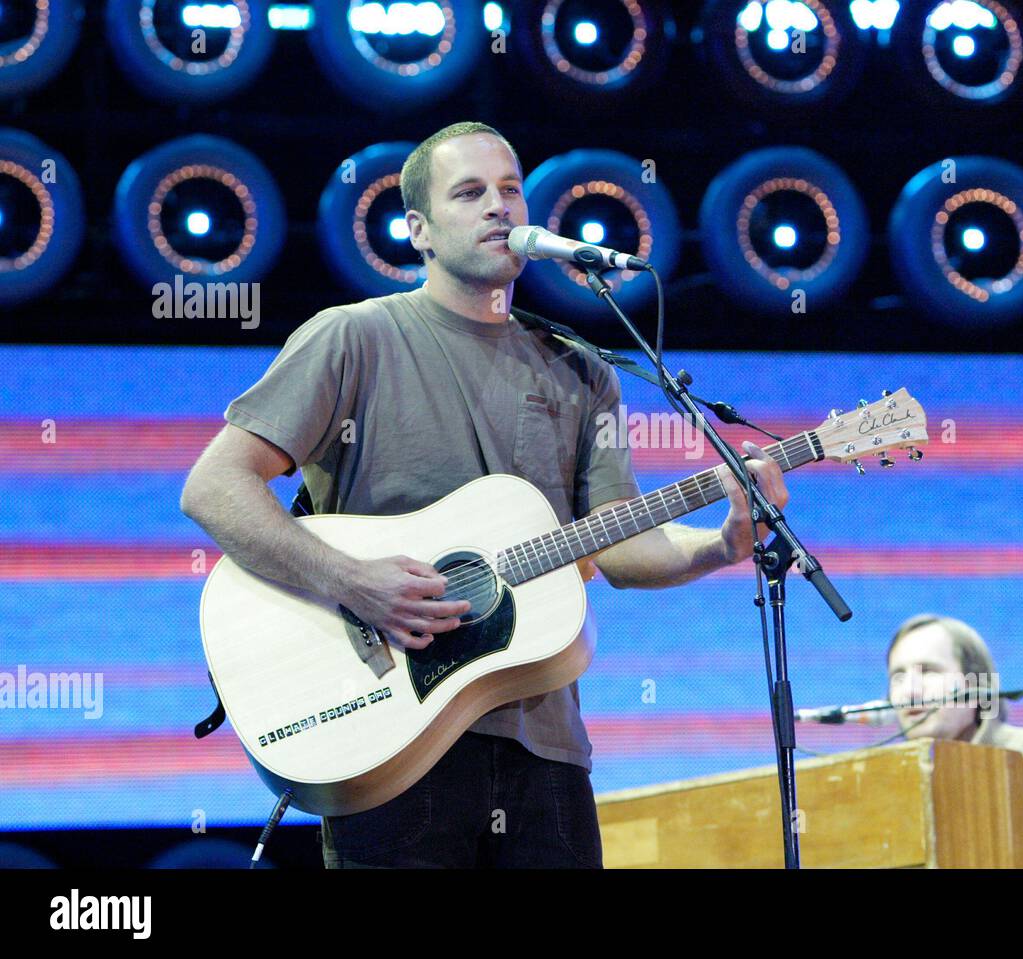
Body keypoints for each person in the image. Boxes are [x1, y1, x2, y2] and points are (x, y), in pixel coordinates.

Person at [179, 121, 789, 868]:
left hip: (546, 746)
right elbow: (214, 486)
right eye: (469, 193)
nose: (499, 208)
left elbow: (622, 548)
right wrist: (353, 581)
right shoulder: (354, 338)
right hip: (388, 738)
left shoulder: (581, 368)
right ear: (420, 231)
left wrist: (724, 544)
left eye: (510, 191)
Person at [885, 614, 1023, 868]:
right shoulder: (887, 776)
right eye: (898, 676)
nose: (910, 691)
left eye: (930, 671)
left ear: (977, 685)